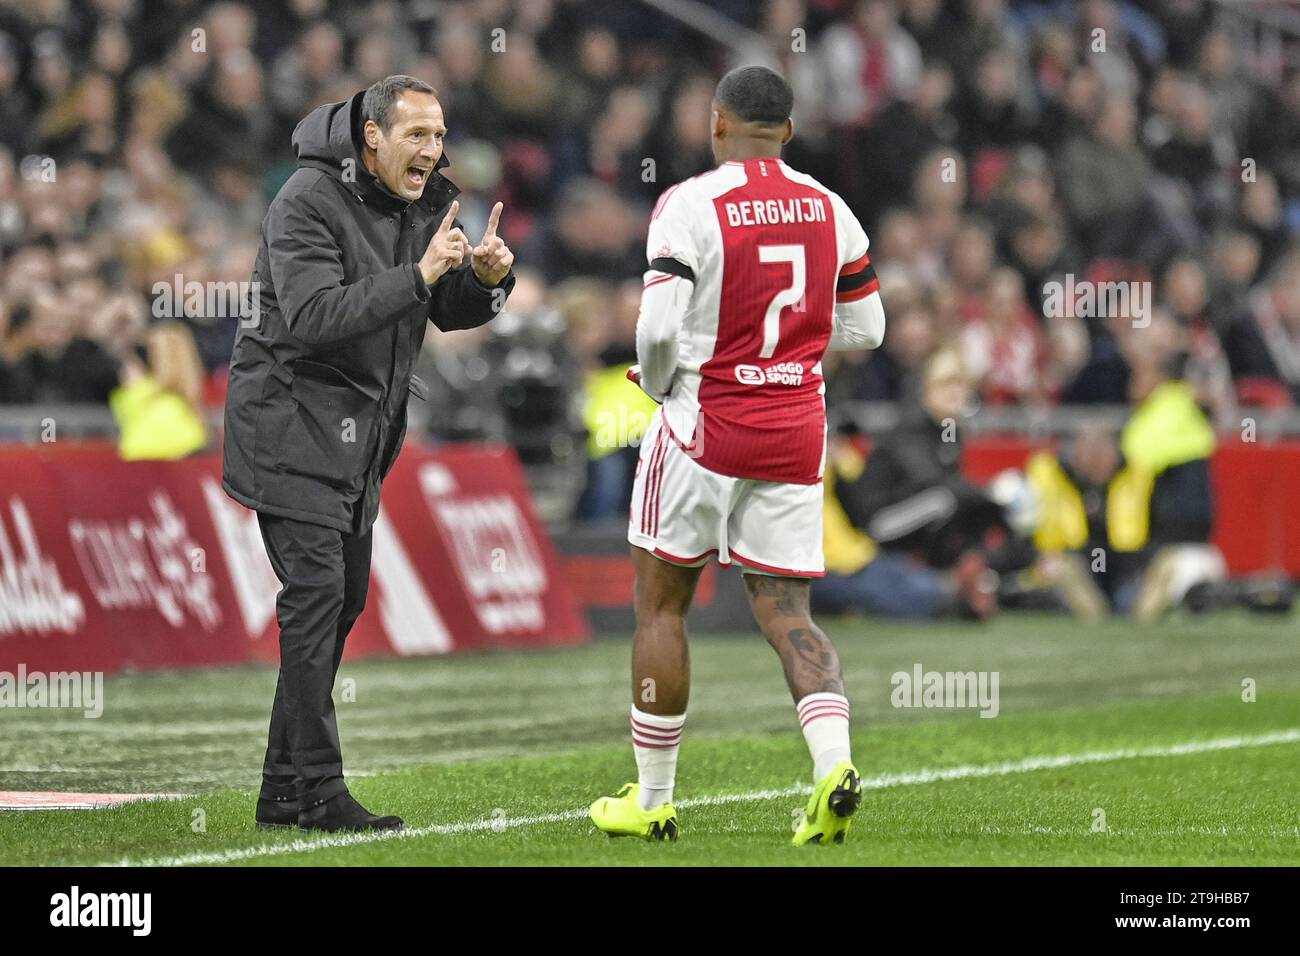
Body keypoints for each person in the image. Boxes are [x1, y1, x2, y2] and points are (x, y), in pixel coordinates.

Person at [588, 65, 886, 846]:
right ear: (788, 131)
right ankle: (833, 766)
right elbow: (870, 328)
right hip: (793, 432)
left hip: (703, 424)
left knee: (661, 606)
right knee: (788, 612)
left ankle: (652, 799)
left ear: (716, 123)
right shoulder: (831, 208)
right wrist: (796, 360)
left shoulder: (688, 204)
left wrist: (660, 385)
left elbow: (655, 331)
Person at [222, 75, 515, 832]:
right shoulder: (306, 199)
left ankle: (282, 789)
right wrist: (417, 274)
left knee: (340, 601)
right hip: (288, 423)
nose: (433, 150)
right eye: (417, 135)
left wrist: (483, 282)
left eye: (440, 134)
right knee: (317, 599)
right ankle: (318, 790)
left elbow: (435, 309)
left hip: (357, 438)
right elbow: (316, 316)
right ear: (372, 137)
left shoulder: (419, 202)